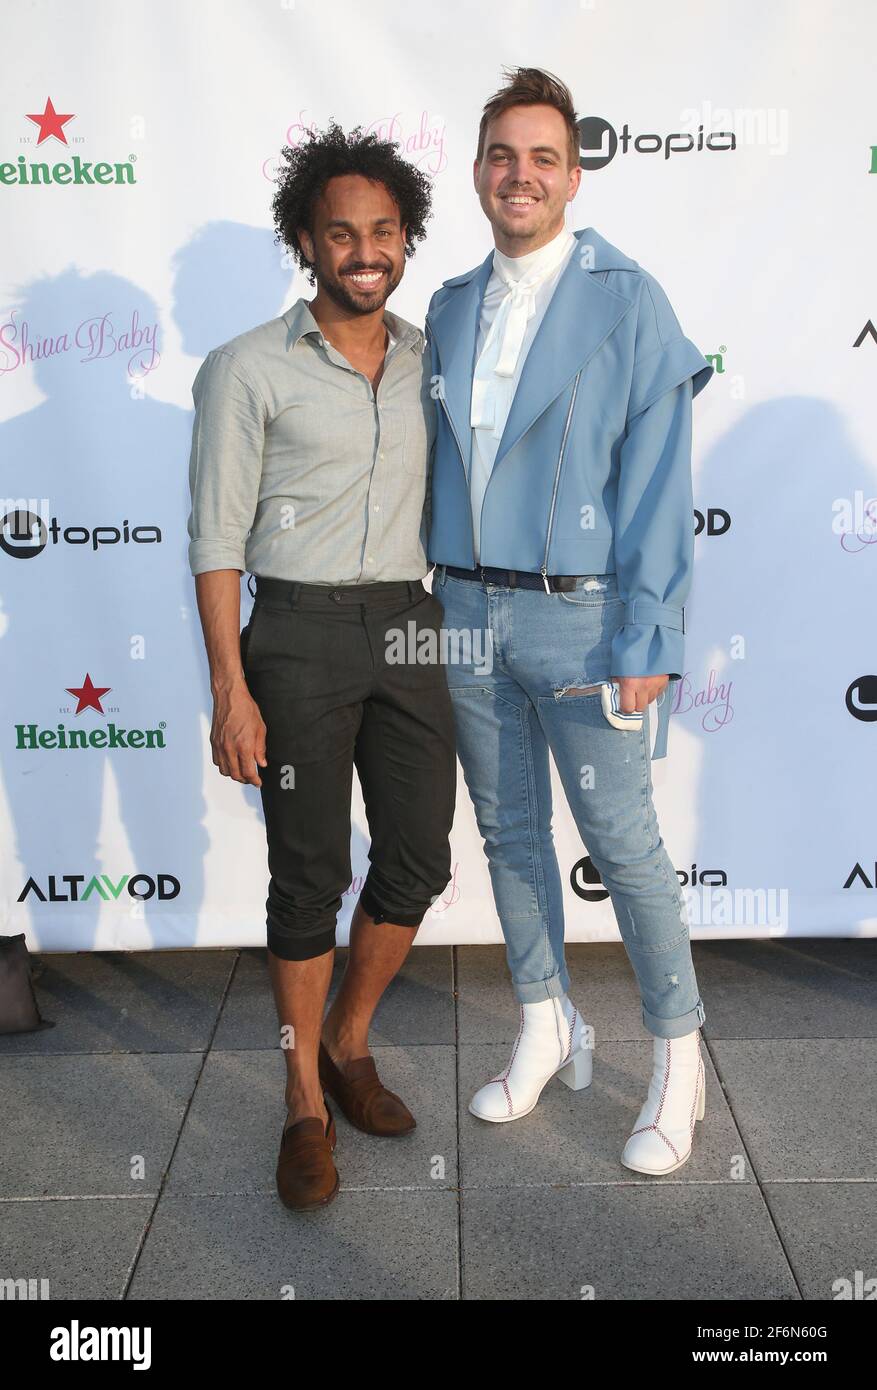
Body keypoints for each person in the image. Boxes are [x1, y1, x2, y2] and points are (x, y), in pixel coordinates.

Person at [426, 68, 714, 1174]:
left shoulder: (626, 297)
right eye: (503, 155)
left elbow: (654, 483)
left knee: (622, 845)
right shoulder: (451, 304)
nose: (521, 175)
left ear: (573, 175)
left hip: (582, 620)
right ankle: (547, 1021)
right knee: (505, 835)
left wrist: (650, 633)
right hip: (463, 608)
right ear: (479, 171)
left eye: (543, 157)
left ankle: (678, 1054)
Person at [186, 124, 456, 1209]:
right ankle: (303, 1097)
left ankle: (348, 1039)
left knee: (420, 857)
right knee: (305, 876)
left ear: (406, 239)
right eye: (340, 232)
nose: (364, 250)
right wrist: (229, 687)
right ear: (306, 240)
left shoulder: (437, 358)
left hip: (410, 624)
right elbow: (216, 539)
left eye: (383, 231)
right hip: (292, 634)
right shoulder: (246, 366)